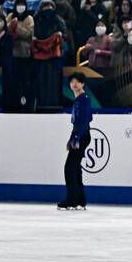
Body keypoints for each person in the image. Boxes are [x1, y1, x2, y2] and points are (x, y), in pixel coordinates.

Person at [59, 72, 93, 210]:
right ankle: (80, 200)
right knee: (75, 168)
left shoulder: (84, 99)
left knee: (69, 168)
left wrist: (77, 137)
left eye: (77, 81)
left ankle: (72, 200)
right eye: (72, 81)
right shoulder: (79, 99)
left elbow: (85, 120)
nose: (74, 84)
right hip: (79, 134)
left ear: (82, 84)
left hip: (82, 135)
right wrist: (72, 138)